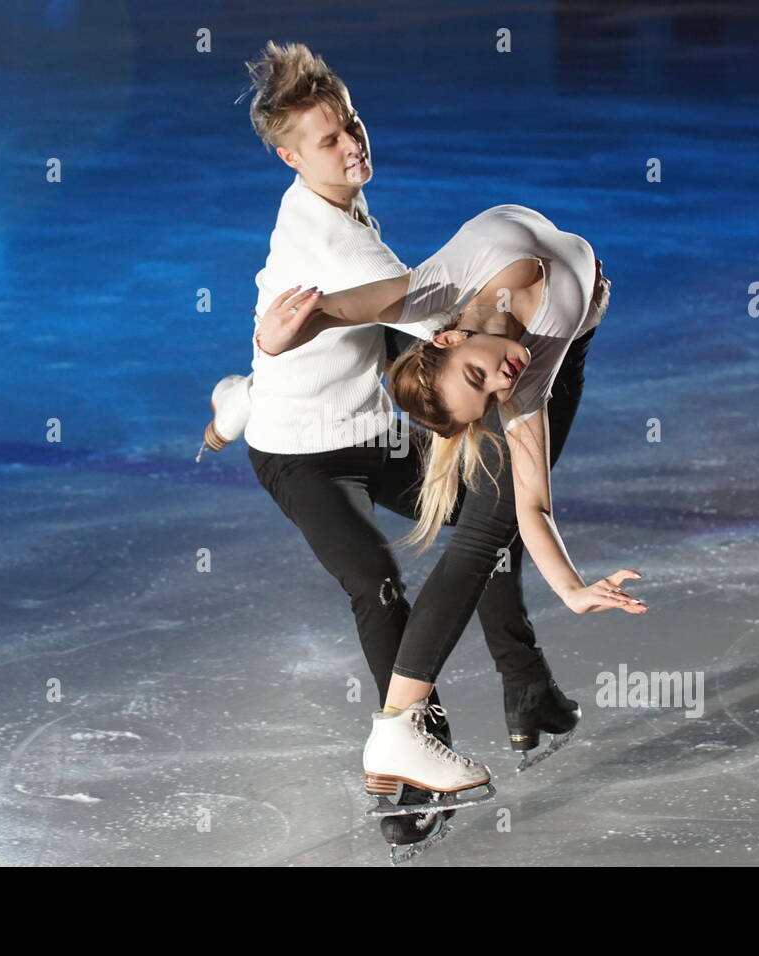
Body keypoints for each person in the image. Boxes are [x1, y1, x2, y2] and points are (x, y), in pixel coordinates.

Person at [203, 44, 584, 831]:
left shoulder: (331, 201)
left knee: (485, 515)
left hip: (369, 431)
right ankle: (410, 771)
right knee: (378, 581)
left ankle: (526, 685)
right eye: (328, 141)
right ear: (288, 157)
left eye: (352, 125)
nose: (352, 146)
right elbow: (438, 316)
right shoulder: (338, 241)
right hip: (301, 453)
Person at [253, 204, 646, 797]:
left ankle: (526, 687)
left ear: (449, 338)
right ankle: (400, 730)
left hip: (544, 329)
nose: (501, 384)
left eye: (476, 377)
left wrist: (274, 337)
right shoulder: (528, 379)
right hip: (564, 349)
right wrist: (573, 589)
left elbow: (338, 307)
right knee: (487, 525)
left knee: (486, 521)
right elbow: (532, 506)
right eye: (488, 397)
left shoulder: (435, 295)